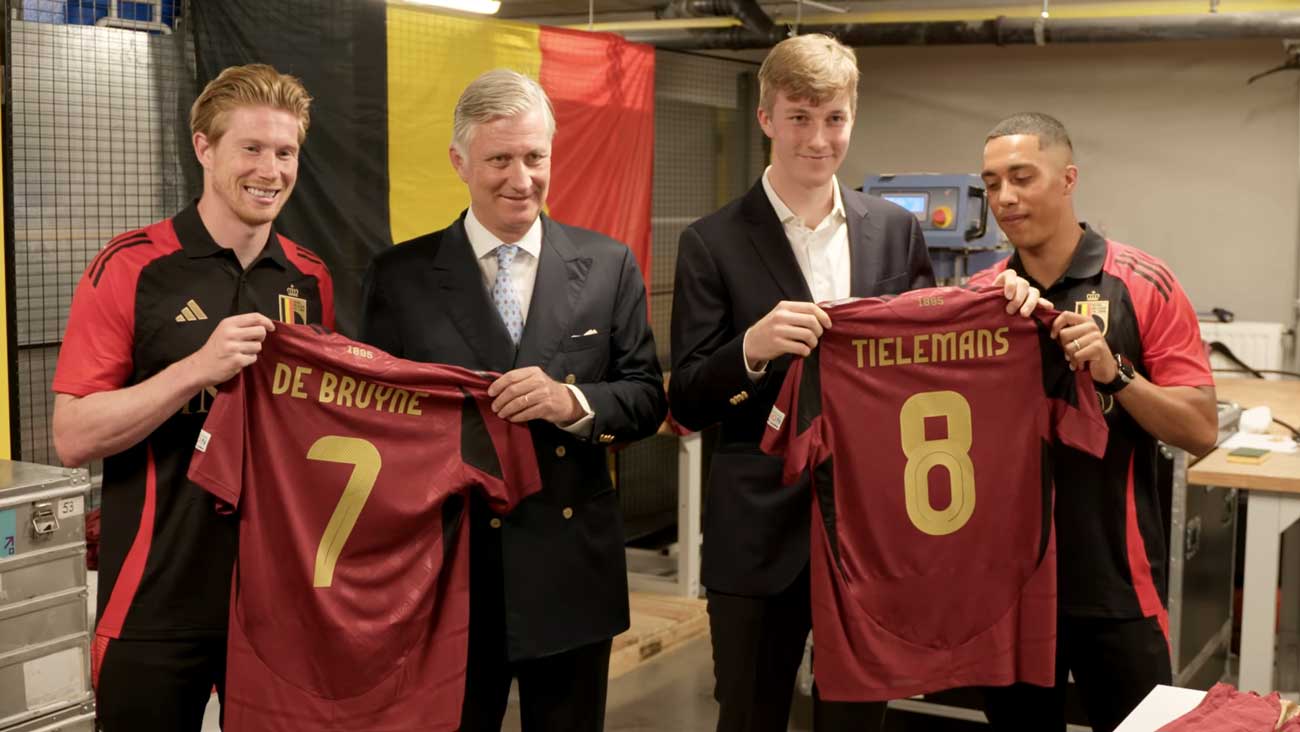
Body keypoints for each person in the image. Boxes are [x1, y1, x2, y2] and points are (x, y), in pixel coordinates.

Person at [668, 33, 1039, 732]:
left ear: (853, 118)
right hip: (757, 535)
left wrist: (1005, 301)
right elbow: (686, 396)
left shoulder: (893, 233)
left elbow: (935, 362)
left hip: (872, 533)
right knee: (749, 714)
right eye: (800, 117)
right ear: (766, 118)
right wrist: (750, 348)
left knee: (857, 721)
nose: (818, 138)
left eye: (834, 118)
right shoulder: (710, 242)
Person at [360, 68, 667, 732]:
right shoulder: (400, 278)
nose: (521, 179)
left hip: (571, 573)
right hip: (449, 576)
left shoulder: (607, 266)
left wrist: (572, 403)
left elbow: (645, 399)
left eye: (535, 157)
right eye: (499, 159)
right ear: (459, 162)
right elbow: (374, 424)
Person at [51, 63, 334, 731]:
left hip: (276, 602)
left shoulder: (311, 277)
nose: (271, 169)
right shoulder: (130, 266)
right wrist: (195, 369)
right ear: (204, 148)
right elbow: (72, 437)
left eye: (286, 151)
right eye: (252, 148)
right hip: (154, 601)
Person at [972, 112, 1218, 732]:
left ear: (1067, 179)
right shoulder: (978, 297)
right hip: (1013, 589)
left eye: (1022, 178)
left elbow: (1199, 430)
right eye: (992, 182)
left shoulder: (1143, 282)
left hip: (1118, 583)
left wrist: (1116, 373)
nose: (1005, 197)